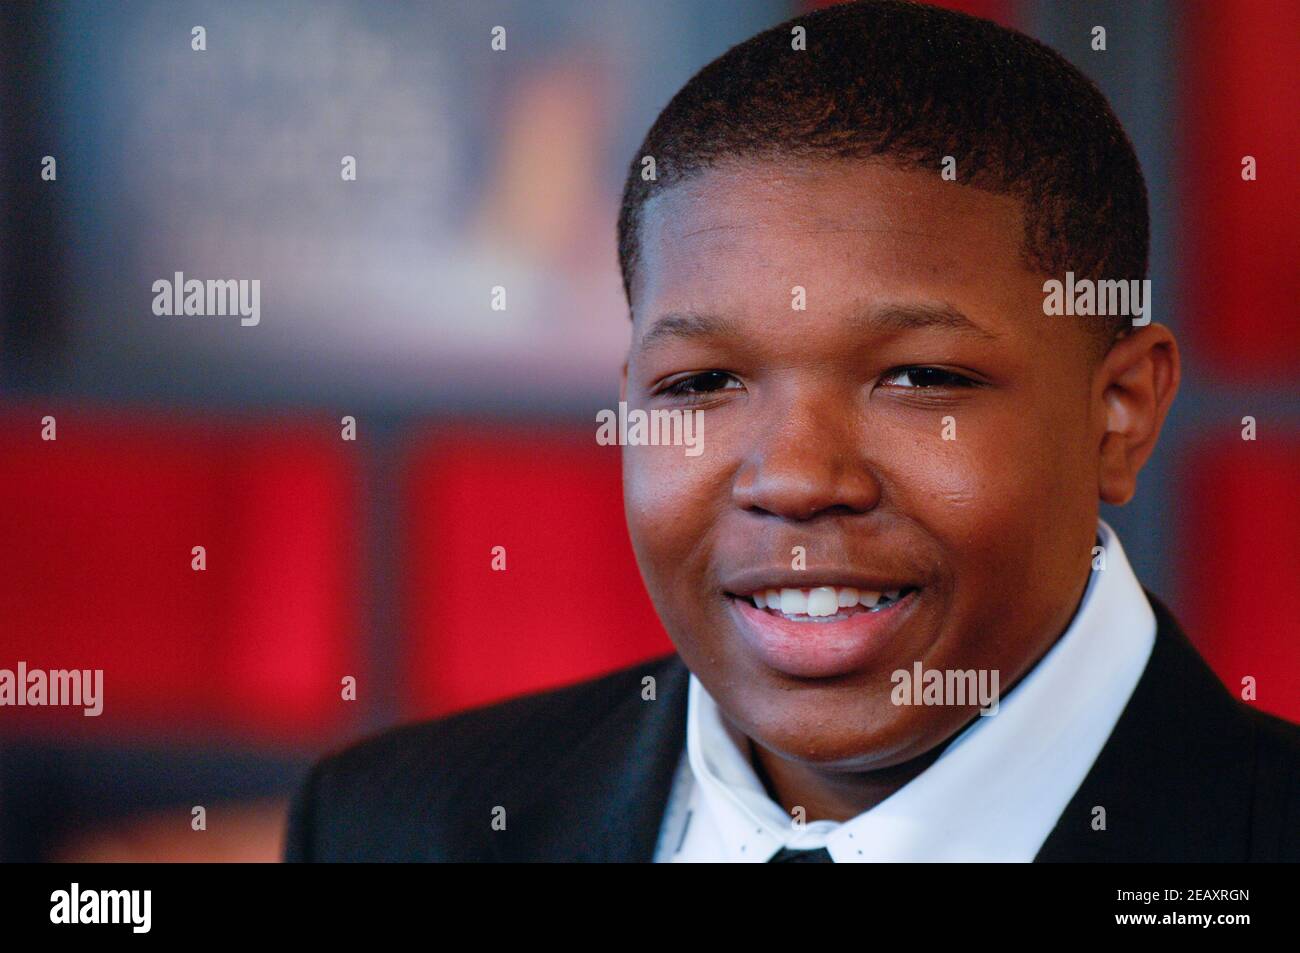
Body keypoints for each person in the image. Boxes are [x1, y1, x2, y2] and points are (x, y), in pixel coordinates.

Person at [284, 0, 1299, 862]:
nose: (797, 477)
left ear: (1116, 414)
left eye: (920, 376)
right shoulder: (388, 825)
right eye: (703, 381)